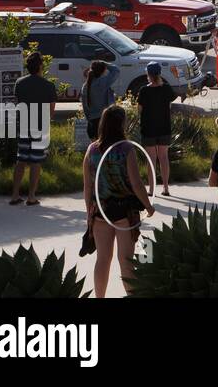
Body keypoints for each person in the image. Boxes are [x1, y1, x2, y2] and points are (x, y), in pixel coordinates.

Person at [83, 105, 154, 297]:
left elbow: (88, 186)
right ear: (121, 124)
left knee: (103, 259)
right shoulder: (126, 148)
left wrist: (89, 212)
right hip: (125, 213)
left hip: (101, 211)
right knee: (126, 260)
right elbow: (136, 183)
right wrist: (148, 206)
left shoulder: (92, 149)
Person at [11, 51, 56, 206]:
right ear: (40, 66)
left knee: (21, 159)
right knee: (36, 162)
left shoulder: (19, 83)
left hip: (23, 125)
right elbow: (51, 110)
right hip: (40, 127)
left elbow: (17, 103)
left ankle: (15, 194)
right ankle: (31, 196)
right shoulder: (49, 86)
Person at [134, 63, 177, 196]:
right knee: (163, 157)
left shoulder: (144, 90)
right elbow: (169, 104)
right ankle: (165, 188)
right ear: (159, 73)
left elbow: (139, 110)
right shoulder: (167, 89)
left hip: (148, 128)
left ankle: (151, 189)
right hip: (164, 126)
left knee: (151, 159)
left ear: (148, 74)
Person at [82, 58, 120, 141]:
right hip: (105, 121)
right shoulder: (102, 82)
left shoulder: (85, 86)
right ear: (103, 71)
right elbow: (116, 70)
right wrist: (104, 63)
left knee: (96, 150)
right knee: (106, 148)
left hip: (92, 123)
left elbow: (85, 108)